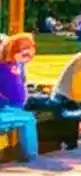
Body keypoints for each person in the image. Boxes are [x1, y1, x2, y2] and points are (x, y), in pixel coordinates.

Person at [0, 34, 39, 162]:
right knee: (28, 119)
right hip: (5, 110)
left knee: (27, 116)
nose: (28, 52)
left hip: (10, 109)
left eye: (31, 48)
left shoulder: (16, 66)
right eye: (23, 49)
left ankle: (29, 156)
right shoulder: (5, 67)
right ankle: (32, 158)